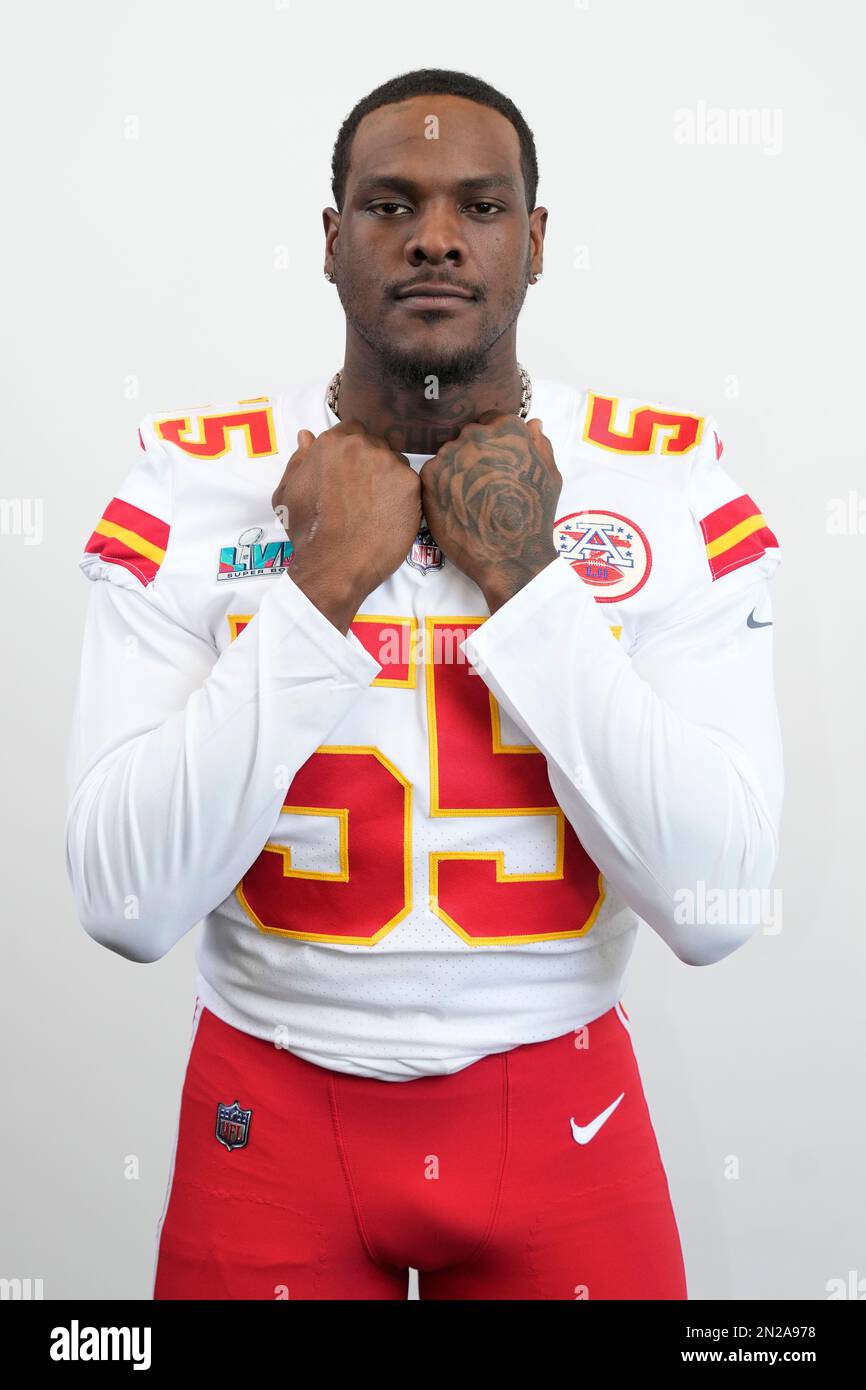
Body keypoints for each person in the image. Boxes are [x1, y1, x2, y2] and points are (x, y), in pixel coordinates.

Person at [66, 68, 782, 1301]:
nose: (436, 236)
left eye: (481, 206)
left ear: (535, 240)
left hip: (559, 1104)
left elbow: (716, 906)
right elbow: (125, 900)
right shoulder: (192, 476)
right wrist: (312, 598)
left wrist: (532, 580)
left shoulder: (663, 477)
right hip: (268, 1102)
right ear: (332, 240)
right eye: (390, 203)